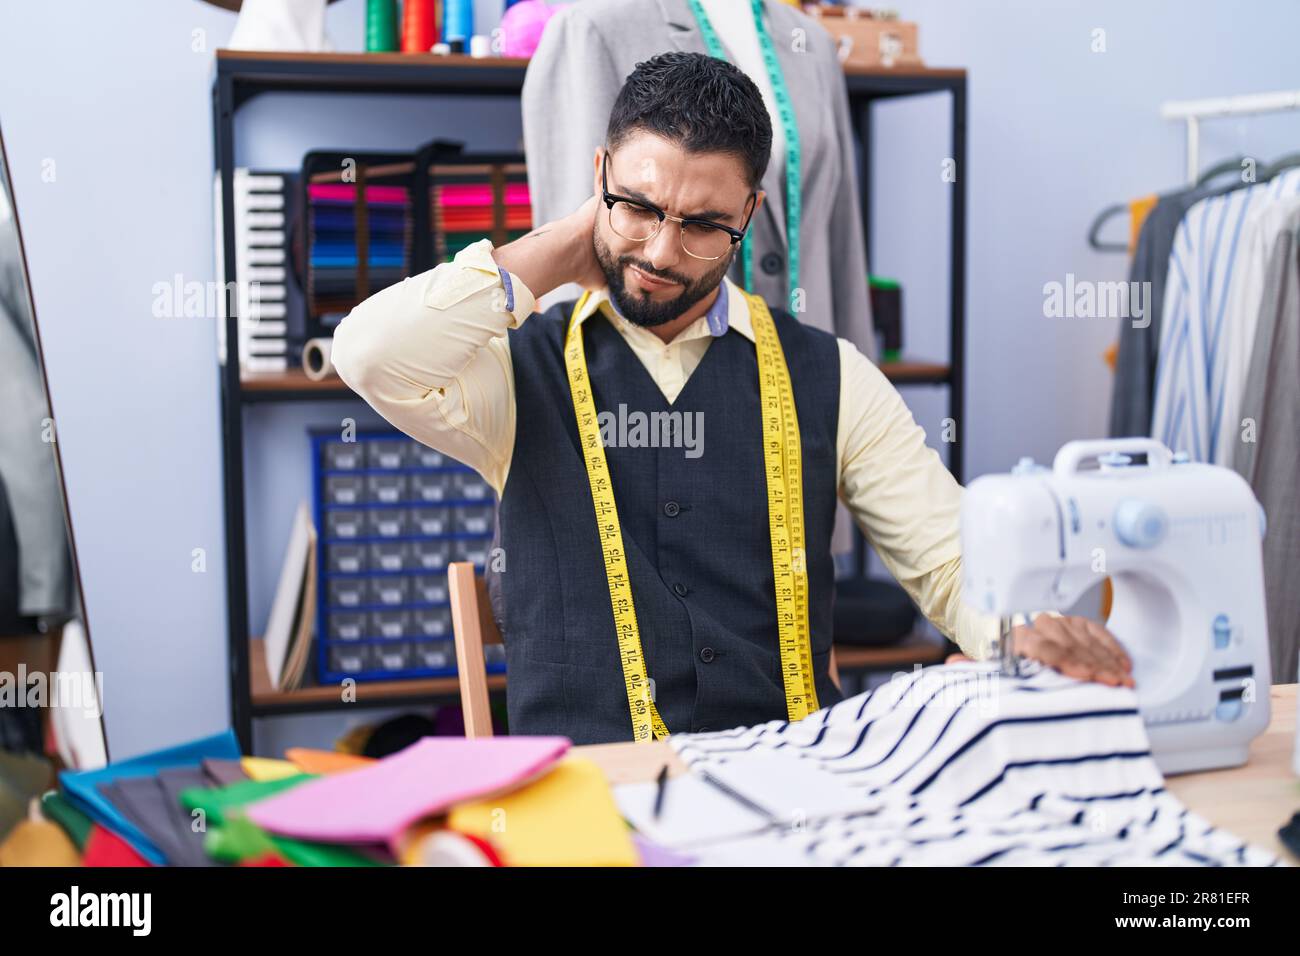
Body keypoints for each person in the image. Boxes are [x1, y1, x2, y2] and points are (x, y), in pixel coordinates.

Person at [332, 52, 1132, 745]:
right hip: (588, 802)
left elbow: (950, 562)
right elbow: (368, 354)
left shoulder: (833, 374)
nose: (662, 251)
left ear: (750, 212)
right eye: (639, 206)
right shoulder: (513, 371)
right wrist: (562, 245)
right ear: (600, 172)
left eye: (704, 224)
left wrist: (1022, 632)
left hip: (789, 786)